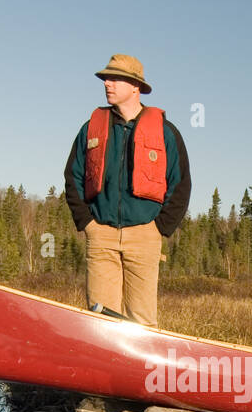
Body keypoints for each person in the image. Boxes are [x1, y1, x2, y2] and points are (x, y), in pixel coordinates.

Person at [64, 54, 191, 328]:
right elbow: (72, 177)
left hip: (145, 234)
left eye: (114, 78)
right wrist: (88, 223)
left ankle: (138, 372)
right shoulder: (90, 129)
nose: (107, 83)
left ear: (135, 86)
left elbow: (181, 185)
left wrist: (158, 228)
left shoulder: (166, 132)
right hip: (101, 235)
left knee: (142, 324)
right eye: (105, 79)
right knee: (100, 322)